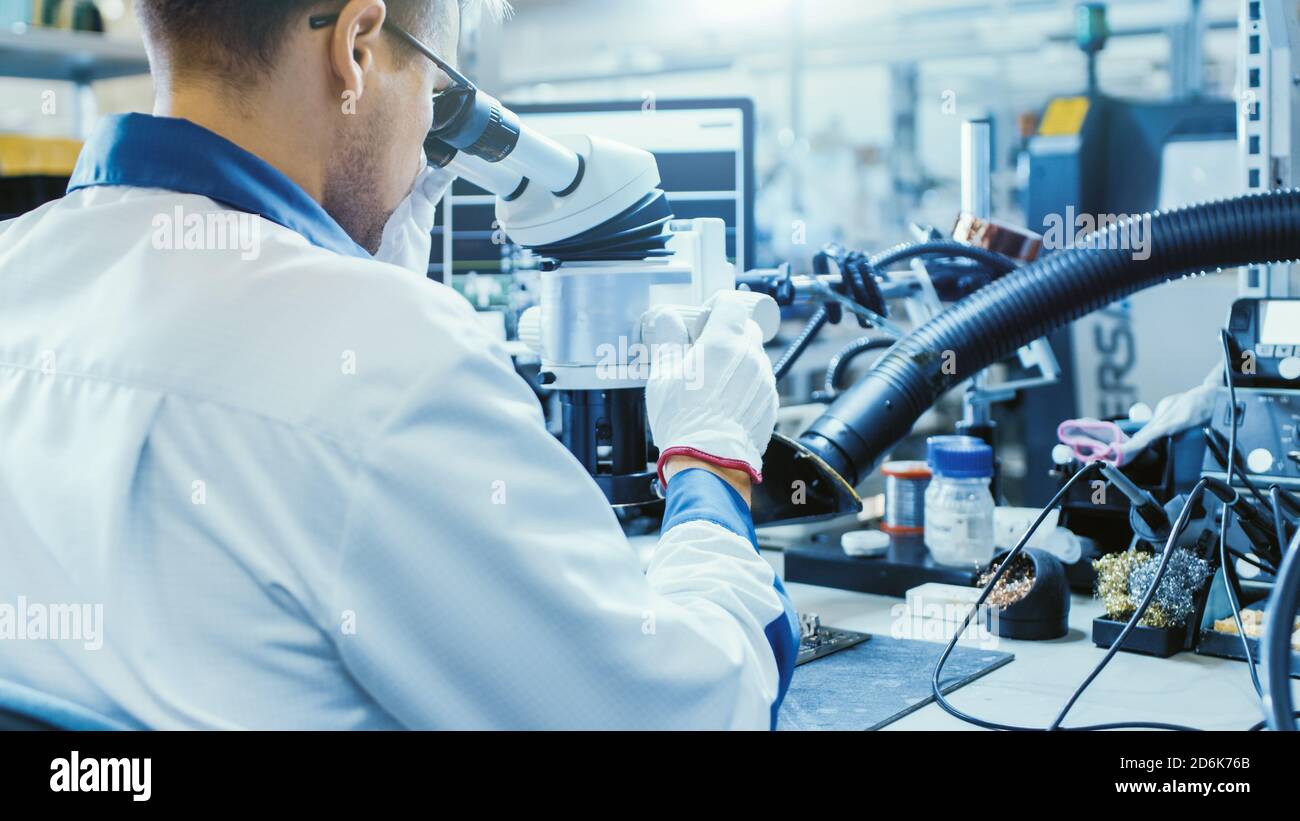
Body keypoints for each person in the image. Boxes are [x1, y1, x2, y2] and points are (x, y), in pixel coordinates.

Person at [0, 0, 797, 729]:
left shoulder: (17, 267)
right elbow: (692, 709)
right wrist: (710, 456)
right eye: (435, 85)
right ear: (354, 48)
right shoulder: (398, 369)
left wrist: (367, 279)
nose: (427, 129)